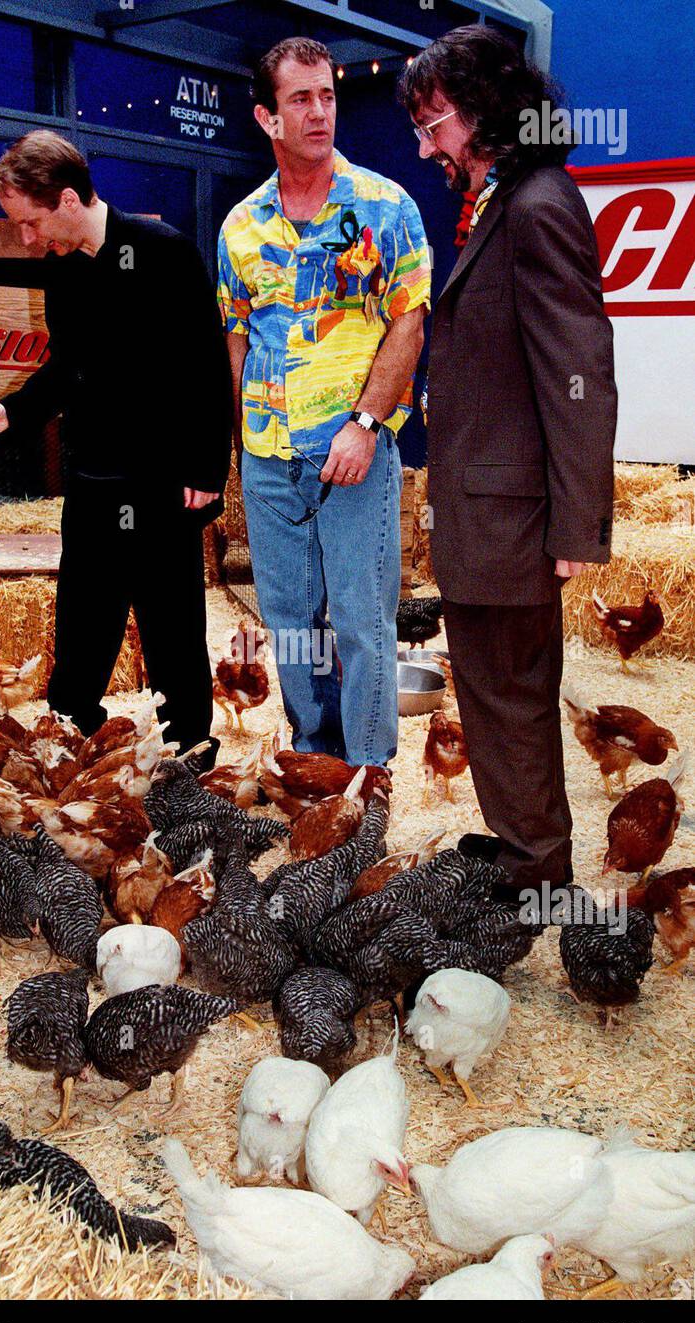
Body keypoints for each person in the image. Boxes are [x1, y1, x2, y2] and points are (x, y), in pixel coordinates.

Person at [399, 26, 617, 898]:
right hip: (488, 517)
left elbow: (578, 375)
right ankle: (525, 855)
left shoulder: (538, 205)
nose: (425, 144)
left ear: (488, 110)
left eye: (435, 120)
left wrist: (575, 525)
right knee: (496, 705)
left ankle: (537, 884)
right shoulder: (506, 201)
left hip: (513, 526)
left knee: (513, 707)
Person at [0, 130, 231, 756]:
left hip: (162, 479)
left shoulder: (164, 252)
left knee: (173, 628)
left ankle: (189, 752)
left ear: (70, 199)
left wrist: (207, 470)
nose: (26, 239)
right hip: (92, 479)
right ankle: (68, 743)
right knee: (81, 621)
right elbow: (65, 368)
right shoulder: (63, 267)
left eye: (29, 223)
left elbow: (206, 367)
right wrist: (11, 413)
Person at [218, 37, 431, 767]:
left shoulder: (385, 206)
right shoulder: (241, 228)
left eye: (328, 95)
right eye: (301, 99)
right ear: (267, 118)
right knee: (289, 624)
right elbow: (237, 332)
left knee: (364, 624)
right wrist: (244, 438)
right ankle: (316, 762)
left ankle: (368, 777)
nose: (320, 112)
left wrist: (366, 424)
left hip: (355, 454)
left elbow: (409, 320)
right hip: (271, 461)